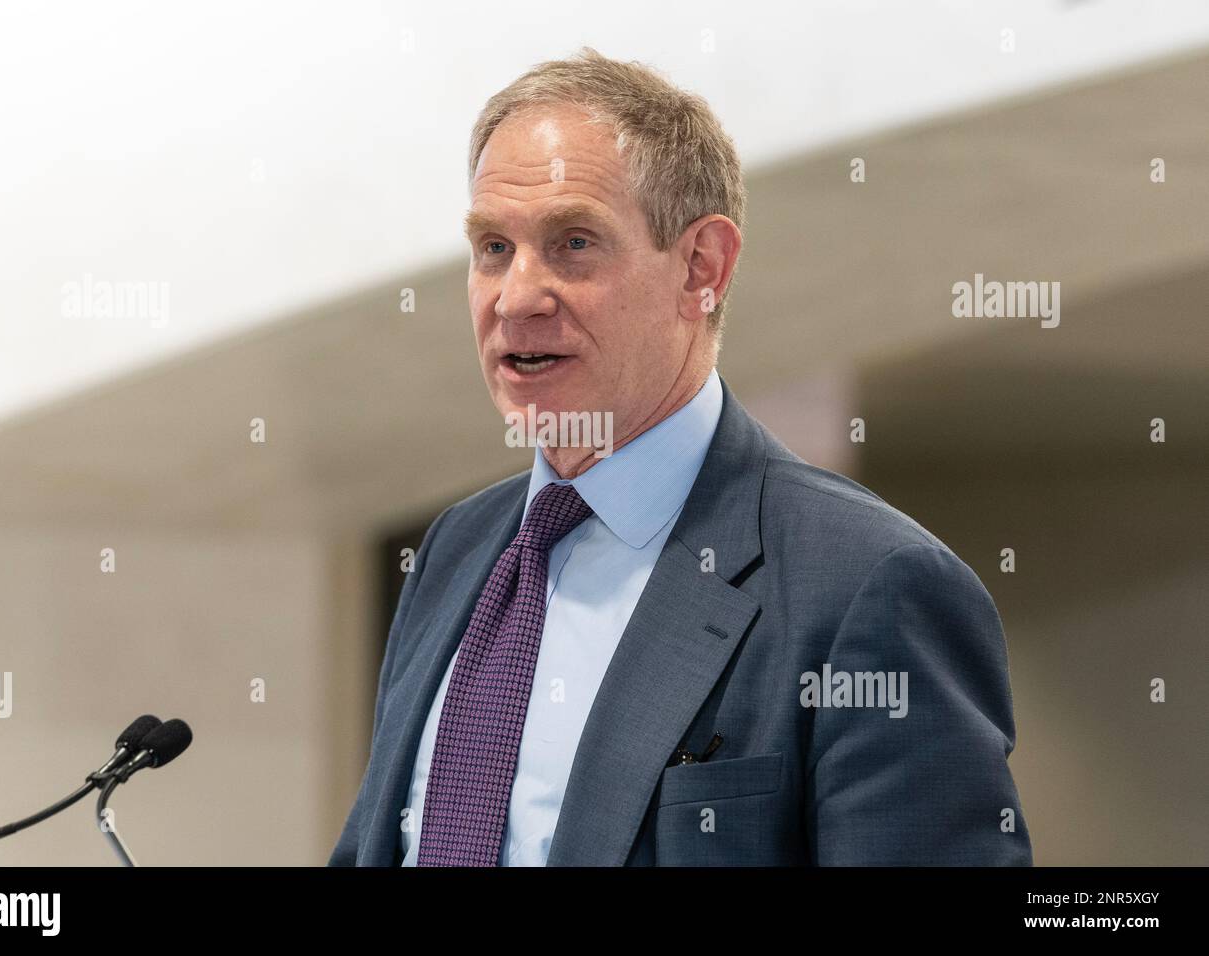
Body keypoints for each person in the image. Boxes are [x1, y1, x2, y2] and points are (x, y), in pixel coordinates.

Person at [328, 47, 1031, 866]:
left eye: (574, 242)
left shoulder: (870, 585)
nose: (515, 297)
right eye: (492, 248)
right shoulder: (456, 550)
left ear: (702, 267)